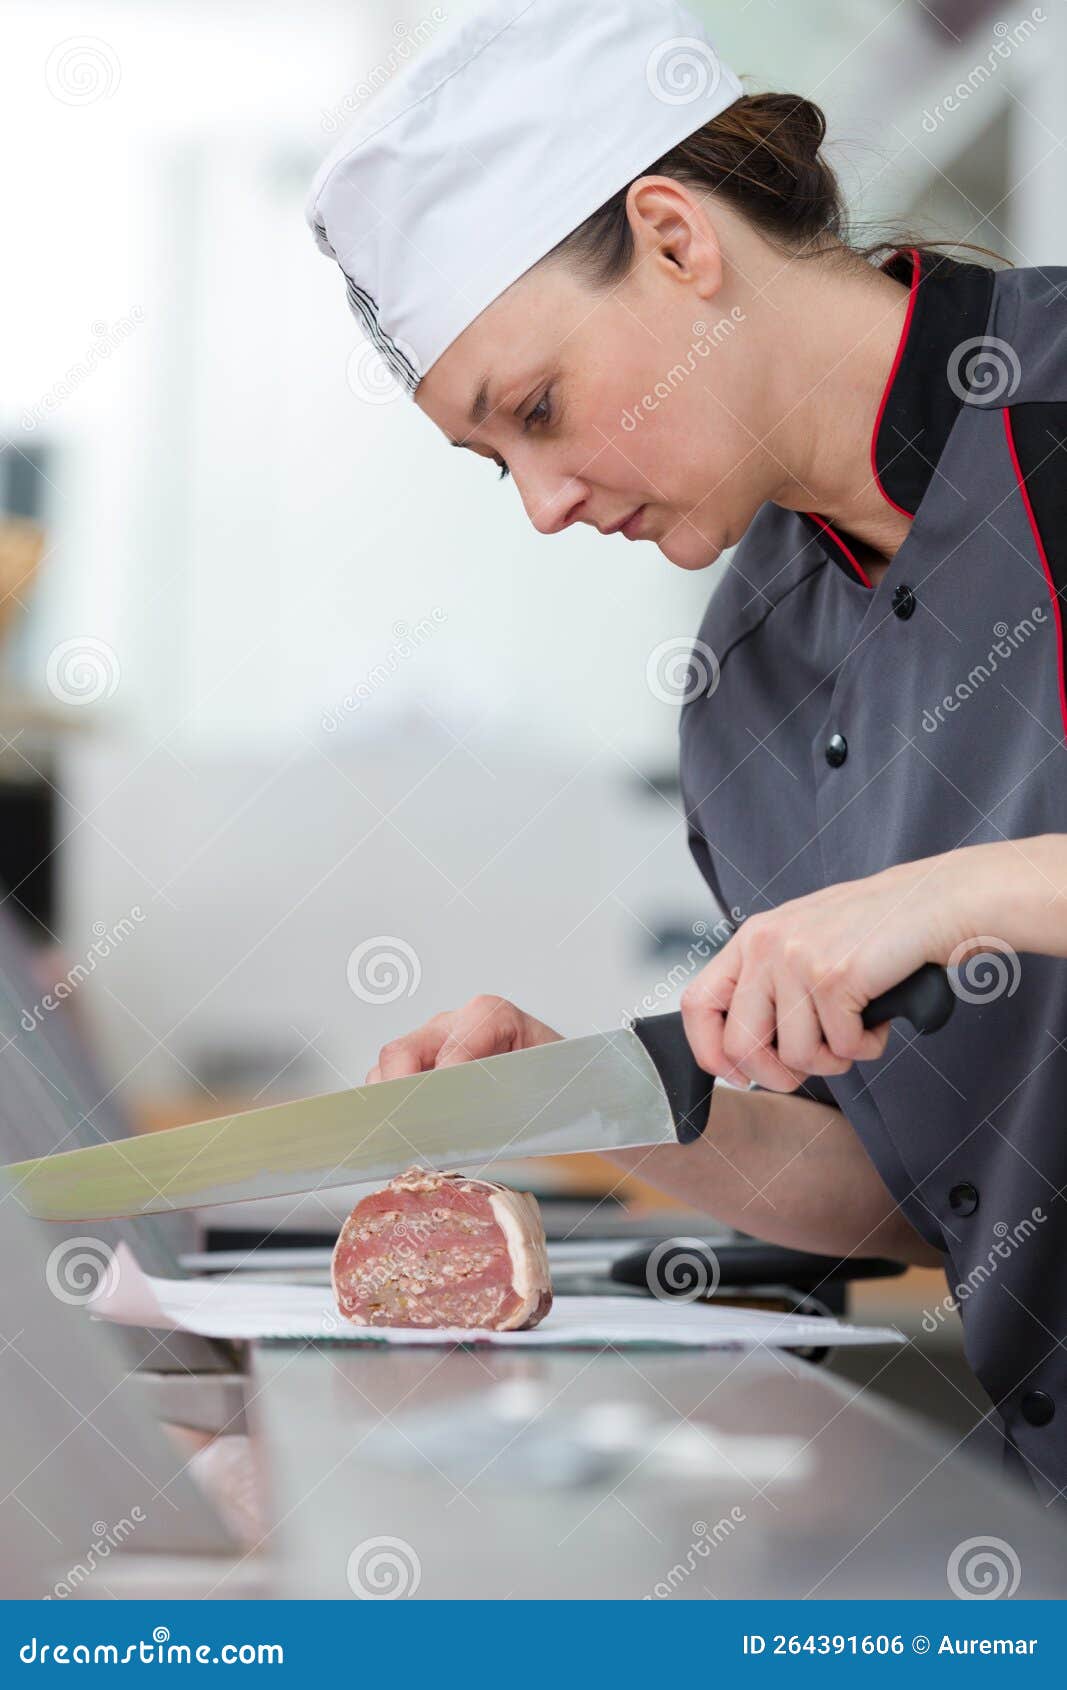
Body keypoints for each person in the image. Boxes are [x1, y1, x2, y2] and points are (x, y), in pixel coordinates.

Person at [306, 0, 1067, 1503]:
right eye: (493, 458)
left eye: (537, 409)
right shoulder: (747, 679)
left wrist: (941, 898)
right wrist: (583, 1097)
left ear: (675, 236)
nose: (539, 502)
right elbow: (907, 1192)